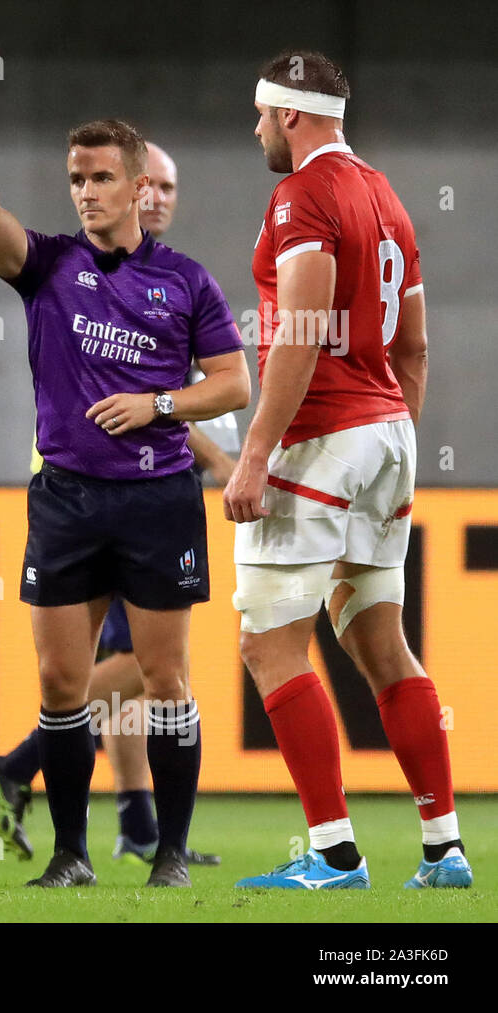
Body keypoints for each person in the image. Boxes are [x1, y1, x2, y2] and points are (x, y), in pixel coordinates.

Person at [0, 67, 250, 888]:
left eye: (102, 177)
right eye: (76, 179)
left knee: (164, 678)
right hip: (68, 499)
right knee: (60, 680)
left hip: (158, 499)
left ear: (140, 188)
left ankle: (172, 854)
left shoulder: (185, 279)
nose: (86, 192)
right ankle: (71, 855)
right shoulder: (48, 265)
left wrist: (157, 404)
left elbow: (234, 383)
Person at [225, 50, 470, 889]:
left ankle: (332, 853)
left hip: (322, 436)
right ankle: (444, 847)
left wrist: (255, 453)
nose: (256, 128)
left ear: (289, 114)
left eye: (261, 114)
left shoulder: (303, 196)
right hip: (389, 433)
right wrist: (391, 436)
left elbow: (298, 331)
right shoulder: (387, 196)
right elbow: (415, 343)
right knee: (379, 640)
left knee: (269, 643)